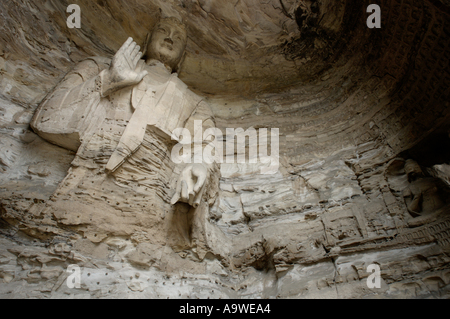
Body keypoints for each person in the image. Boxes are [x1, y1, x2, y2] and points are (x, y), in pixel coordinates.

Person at [31, 17, 219, 248]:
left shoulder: (194, 104)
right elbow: (44, 118)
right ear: (147, 39)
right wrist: (109, 81)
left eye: (178, 38)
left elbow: (204, 148)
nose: (170, 38)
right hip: (79, 193)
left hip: (145, 210)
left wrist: (198, 165)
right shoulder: (99, 67)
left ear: (183, 57)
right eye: (163, 30)